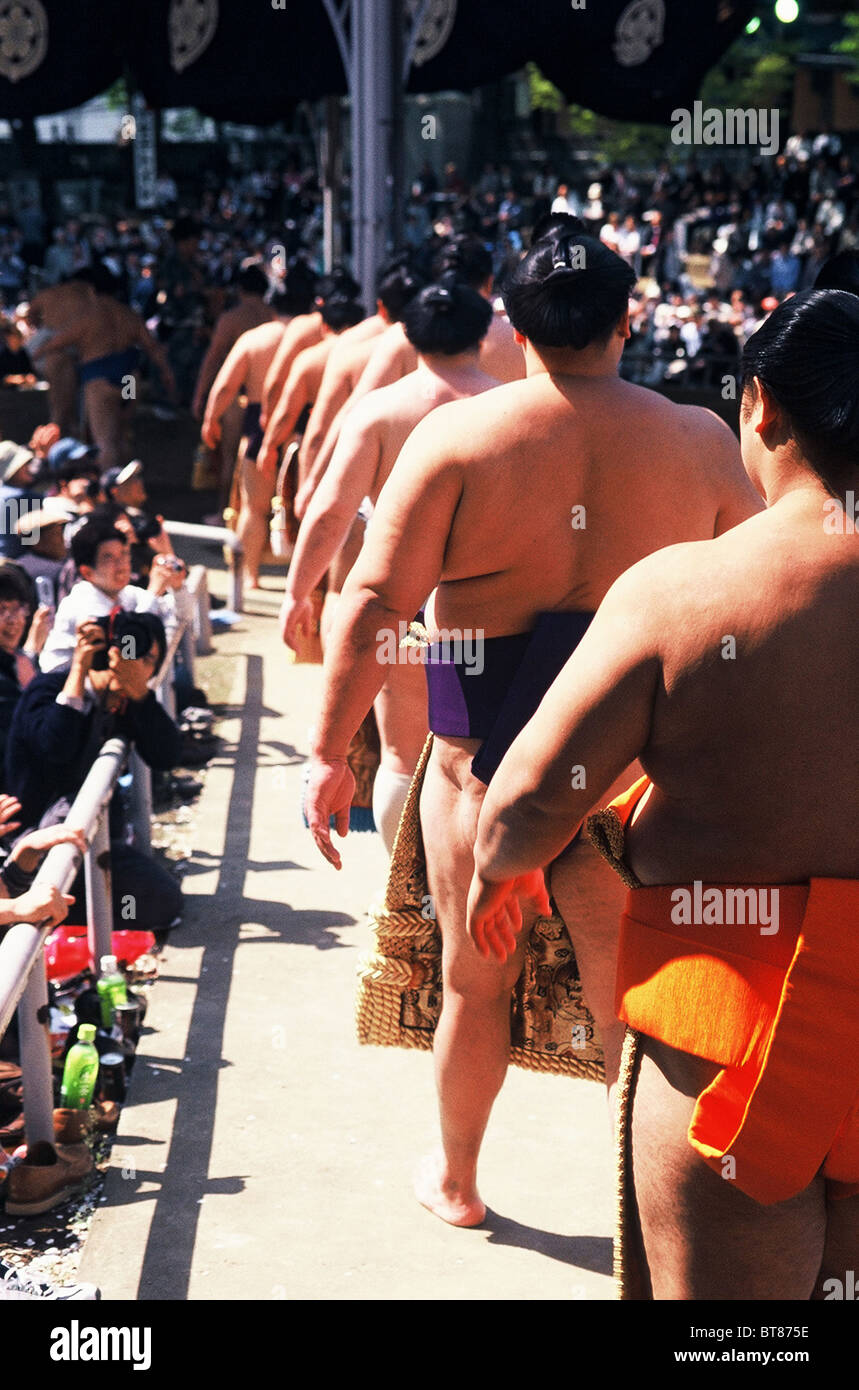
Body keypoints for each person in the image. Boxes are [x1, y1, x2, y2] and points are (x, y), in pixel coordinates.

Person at [302, 229, 761, 1227]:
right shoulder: (697, 443)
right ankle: (646, 1215)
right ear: (627, 320)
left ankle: (459, 1183)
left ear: (512, 328)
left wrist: (332, 752)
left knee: (474, 985)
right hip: (631, 773)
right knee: (625, 1005)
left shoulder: (459, 441)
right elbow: (756, 595)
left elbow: (376, 602)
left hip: (482, 769)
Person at [467, 289, 859, 1299]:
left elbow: (526, 800)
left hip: (724, 1025)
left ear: (760, 405)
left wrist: (498, 872)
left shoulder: (686, 593)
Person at [282, 279, 497, 849]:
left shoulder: (381, 412)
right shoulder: (514, 409)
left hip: (403, 598)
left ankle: (410, 906)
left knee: (402, 753)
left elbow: (329, 512)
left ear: (409, 335)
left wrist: (296, 592)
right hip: (498, 601)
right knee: (483, 755)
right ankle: (464, 891)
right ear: (483, 334)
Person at [7, 610, 183, 931]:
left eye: (148, 659)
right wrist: (79, 667)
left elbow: (167, 756)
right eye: (128, 648)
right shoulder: (49, 689)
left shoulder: (127, 701)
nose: (135, 662)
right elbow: (55, 748)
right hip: (31, 845)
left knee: (161, 902)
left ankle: (84, 924)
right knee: (155, 899)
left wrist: (139, 694)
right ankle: (54, 923)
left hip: (88, 838)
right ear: (106, 649)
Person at [200, 289, 304, 584]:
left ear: (273, 310)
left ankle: (250, 575)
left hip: (260, 424)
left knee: (254, 507)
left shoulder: (255, 339)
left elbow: (224, 386)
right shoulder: (314, 339)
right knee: (307, 507)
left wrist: (211, 419)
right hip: (302, 426)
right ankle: (302, 580)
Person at [42, 265, 177, 469]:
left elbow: (57, 342)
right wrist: (167, 373)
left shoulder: (89, 315)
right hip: (130, 380)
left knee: (105, 441)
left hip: (100, 380)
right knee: (121, 432)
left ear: (91, 290)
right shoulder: (128, 314)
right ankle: (126, 482)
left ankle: (113, 490)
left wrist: (34, 352)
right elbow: (153, 348)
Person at [38, 518, 181, 674]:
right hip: (65, 690)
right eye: (109, 558)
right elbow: (128, 654)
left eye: (124, 554)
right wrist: (153, 593)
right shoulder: (79, 605)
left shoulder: (128, 593)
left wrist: (178, 586)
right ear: (87, 572)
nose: (122, 565)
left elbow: (181, 618)